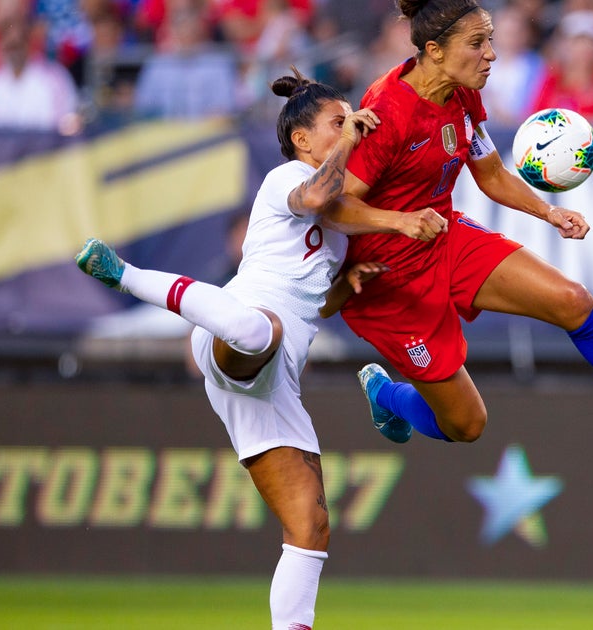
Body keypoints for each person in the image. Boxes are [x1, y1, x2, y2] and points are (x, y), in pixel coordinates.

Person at [75, 69, 445, 629]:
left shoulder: (342, 222)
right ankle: (125, 274)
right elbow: (318, 193)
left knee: (311, 527)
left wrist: (344, 287)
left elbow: (313, 308)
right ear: (303, 138)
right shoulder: (287, 177)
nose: (352, 128)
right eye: (336, 122)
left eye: (350, 120)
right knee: (259, 330)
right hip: (235, 331)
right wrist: (351, 142)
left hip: (274, 378)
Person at [328, 0, 593, 459]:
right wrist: (401, 221)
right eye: (477, 43)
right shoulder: (388, 110)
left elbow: (491, 176)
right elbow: (336, 206)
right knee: (466, 424)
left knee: (572, 300)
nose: (491, 54)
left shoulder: (462, 93)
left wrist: (549, 212)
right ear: (434, 50)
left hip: (442, 237)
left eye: (490, 39)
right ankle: (387, 395)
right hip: (387, 274)